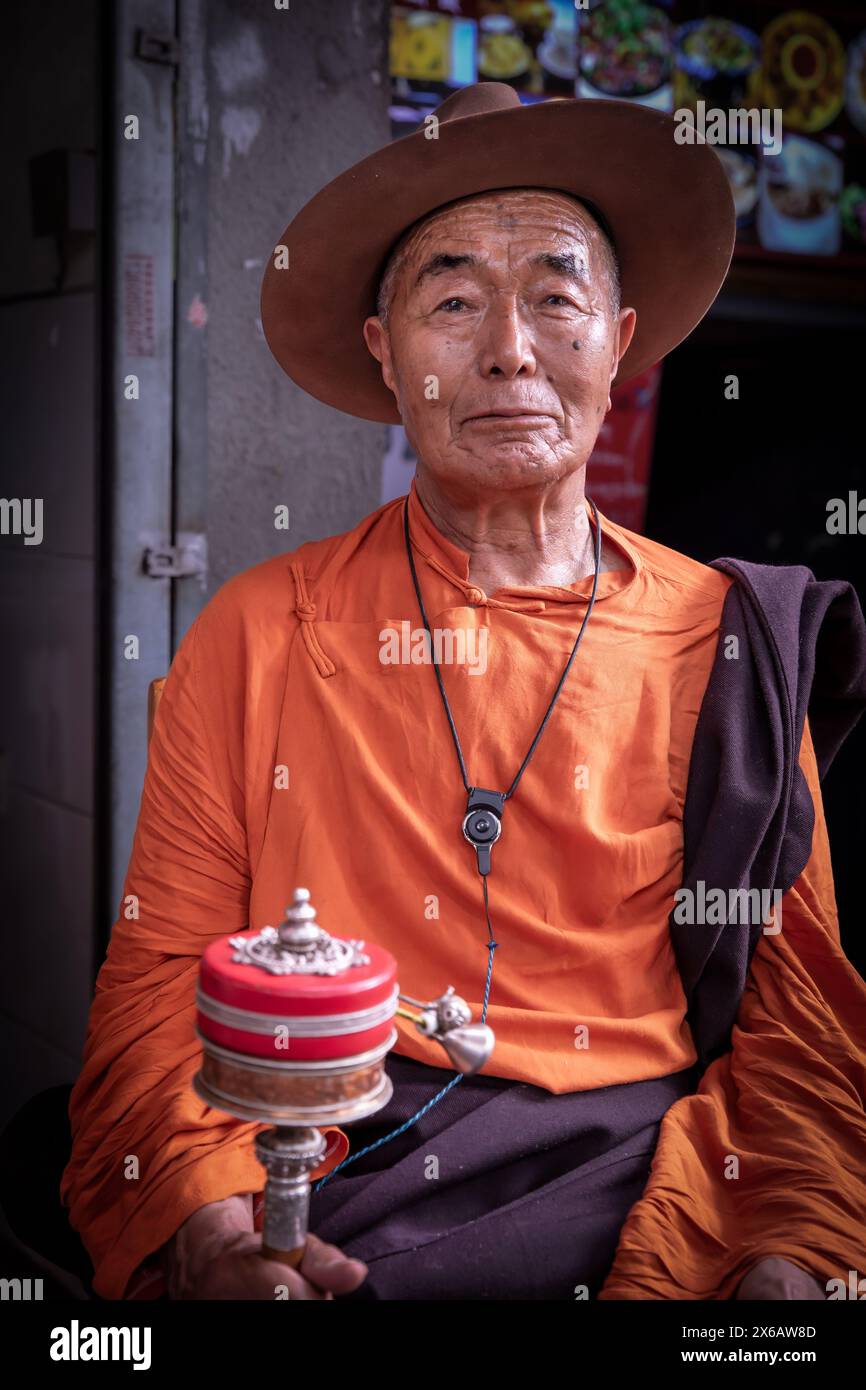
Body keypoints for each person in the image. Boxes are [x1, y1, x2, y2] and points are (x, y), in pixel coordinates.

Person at [61, 83, 866, 1301]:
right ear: (385, 353)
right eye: (450, 301)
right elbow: (162, 977)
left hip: (647, 1168)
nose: (507, 350)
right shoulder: (261, 629)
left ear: (617, 340)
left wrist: (782, 1254)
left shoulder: (727, 637)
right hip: (334, 1155)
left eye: (554, 297)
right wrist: (213, 1232)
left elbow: (796, 1019)